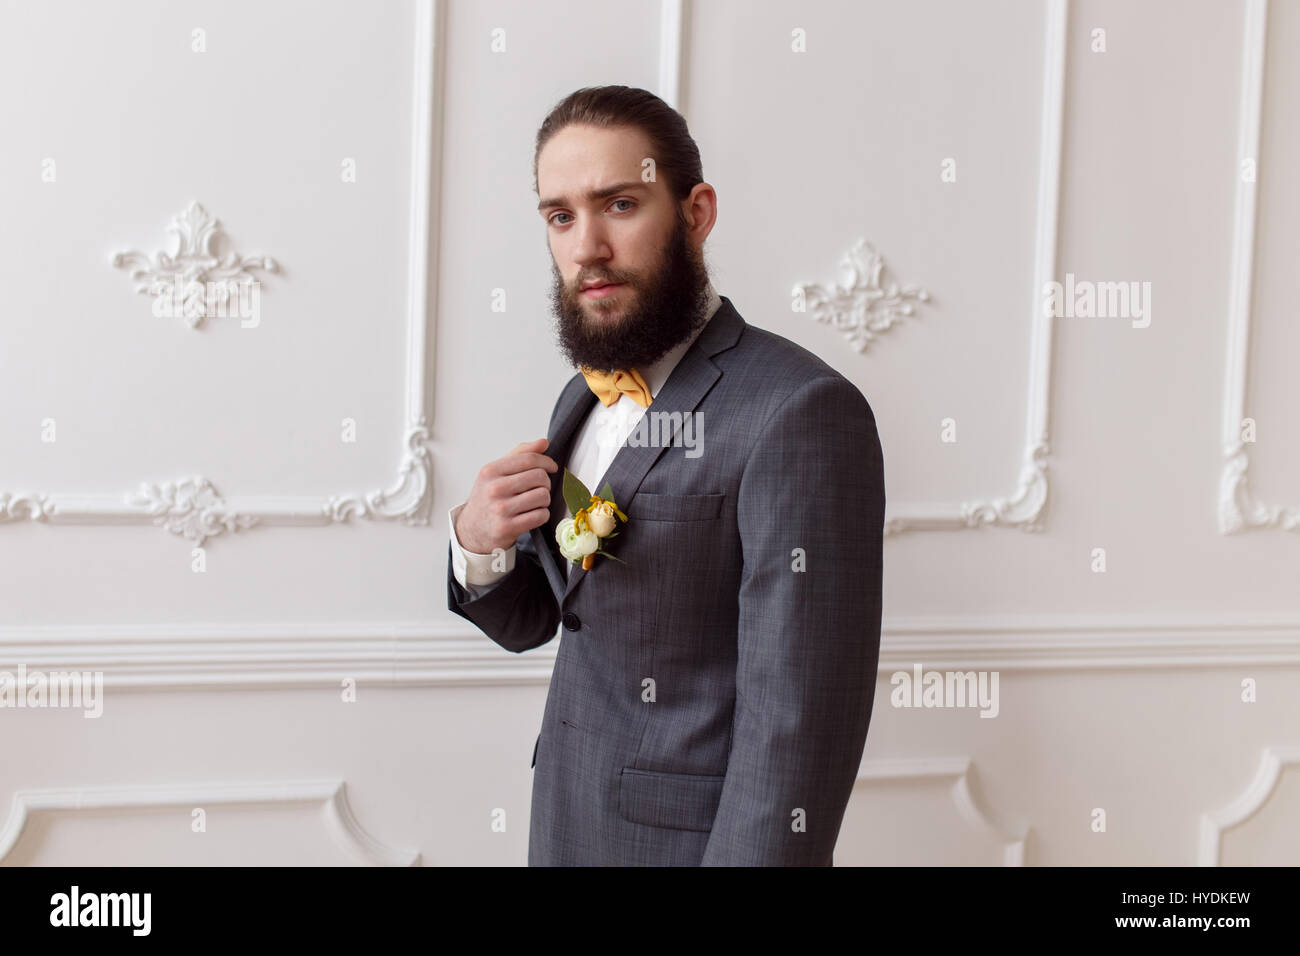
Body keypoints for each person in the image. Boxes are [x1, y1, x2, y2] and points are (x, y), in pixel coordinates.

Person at [447, 85, 885, 866]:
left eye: (619, 204)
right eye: (560, 215)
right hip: (564, 826)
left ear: (696, 212)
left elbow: (801, 723)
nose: (586, 247)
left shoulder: (804, 411)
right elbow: (549, 622)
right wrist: (479, 542)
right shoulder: (580, 396)